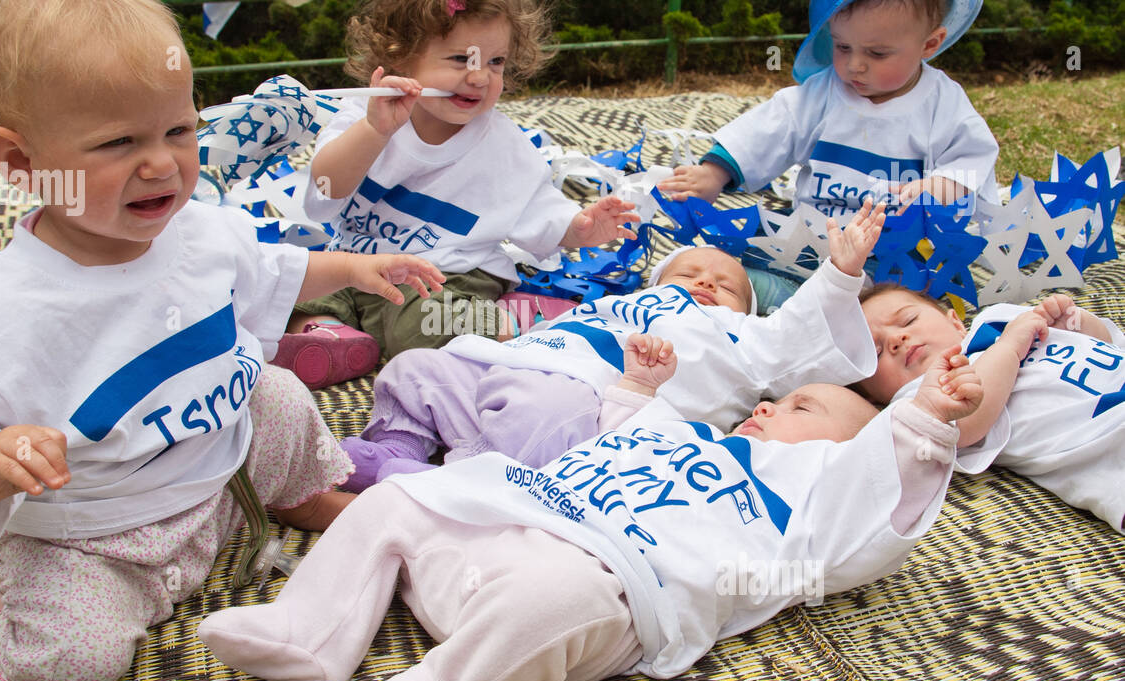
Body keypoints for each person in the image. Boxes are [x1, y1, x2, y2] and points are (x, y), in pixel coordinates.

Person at [0, 0, 444, 681]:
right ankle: (27, 604)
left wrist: (359, 268)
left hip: (213, 473)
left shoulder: (199, 231)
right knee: (72, 665)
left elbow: (275, 267)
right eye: (119, 142)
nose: (161, 164)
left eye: (178, 131)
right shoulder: (12, 309)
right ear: (21, 163)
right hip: (95, 533)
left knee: (273, 392)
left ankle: (300, 496)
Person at [198, 334, 981, 681]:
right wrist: (639, 388)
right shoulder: (692, 436)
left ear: (838, 453)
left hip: (608, 587)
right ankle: (304, 634)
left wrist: (922, 425)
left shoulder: (809, 501)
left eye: (799, 406)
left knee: (554, 600)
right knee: (401, 498)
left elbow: (877, 509)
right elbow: (617, 435)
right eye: (776, 397)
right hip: (506, 525)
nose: (772, 407)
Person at [274, 0, 640, 388]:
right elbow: (323, 198)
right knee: (286, 288)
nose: (480, 76)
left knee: (415, 327)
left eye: (496, 62)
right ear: (399, 56)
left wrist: (581, 228)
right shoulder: (363, 117)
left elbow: (539, 212)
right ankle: (326, 335)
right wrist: (374, 133)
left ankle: (514, 319)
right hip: (358, 264)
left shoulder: (504, 148)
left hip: (449, 279)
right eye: (459, 60)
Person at [337, 201, 885, 492]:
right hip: (521, 365)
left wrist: (840, 273)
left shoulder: (746, 338)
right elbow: (533, 325)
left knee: (547, 417)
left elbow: (799, 330)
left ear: (748, 310)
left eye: (726, 287)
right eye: (688, 272)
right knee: (418, 368)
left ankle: (452, 486)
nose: (704, 284)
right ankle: (397, 450)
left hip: (592, 400)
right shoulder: (619, 302)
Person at [658, 0, 998, 218]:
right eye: (842, 46)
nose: (854, 66)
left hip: (899, 250)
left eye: (877, 54)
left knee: (903, 298)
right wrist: (715, 173)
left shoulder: (942, 102)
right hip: (816, 240)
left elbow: (973, 158)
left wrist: (941, 186)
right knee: (746, 269)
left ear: (930, 43)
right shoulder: (822, 94)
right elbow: (772, 128)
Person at [859, 284, 1125, 532]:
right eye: (877, 351)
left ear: (955, 322)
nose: (897, 338)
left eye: (908, 320)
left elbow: (1107, 343)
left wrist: (1074, 323)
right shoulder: (918, 400)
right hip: (1106, 446)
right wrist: (1009, 347)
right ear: (873, 397)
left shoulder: (998, 317)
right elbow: (965, 424)